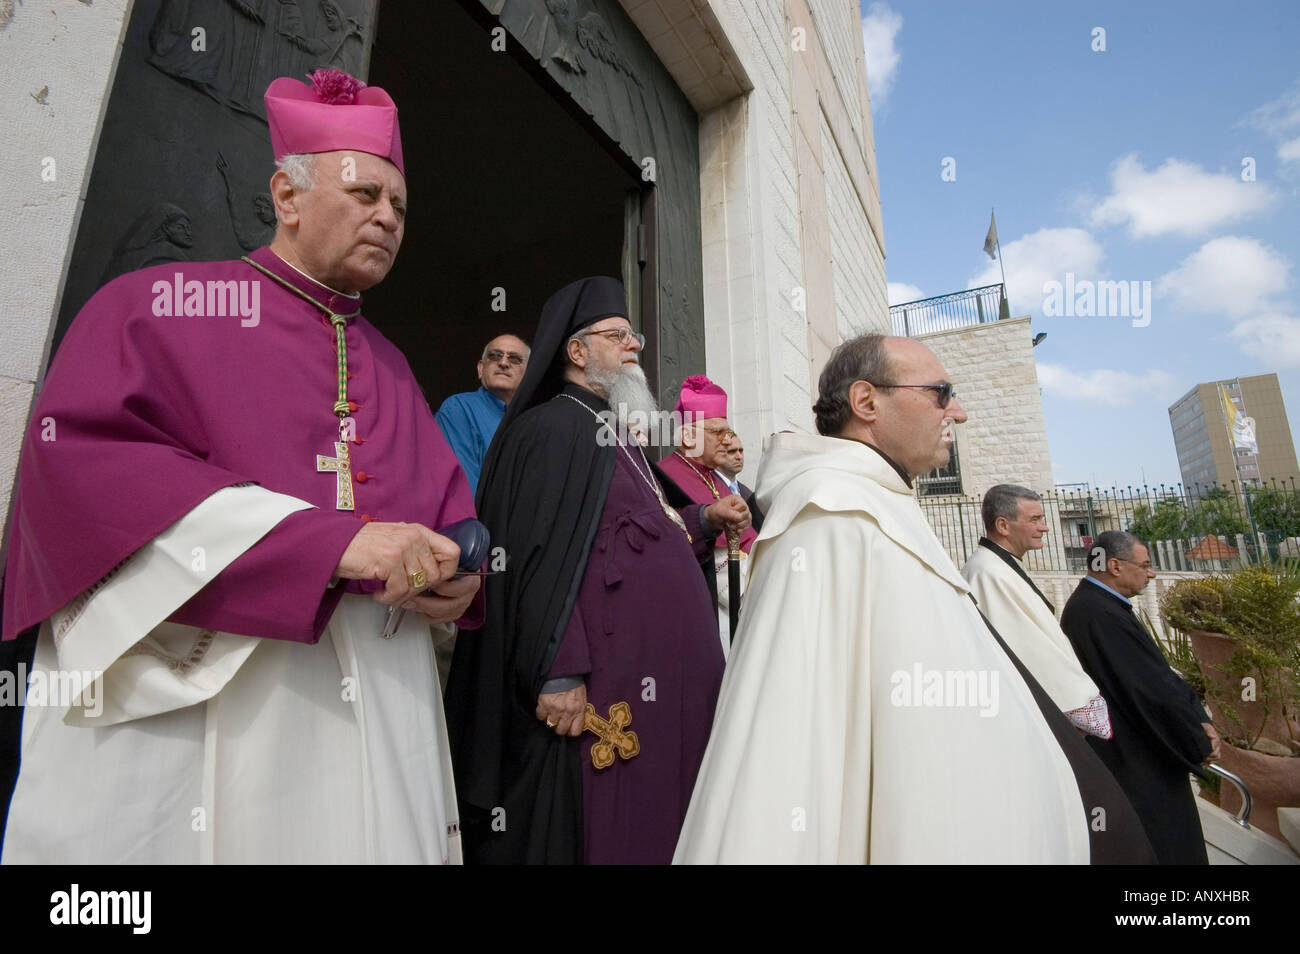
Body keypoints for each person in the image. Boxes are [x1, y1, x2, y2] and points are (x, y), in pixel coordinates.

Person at [0, 69, 481, 864]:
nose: (388, 218)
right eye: (365, 195)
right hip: (221, 697)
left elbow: (449, 509)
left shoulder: (392, 365)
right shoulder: (156, 307)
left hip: (382, 698)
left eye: (399, 205)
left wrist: (461, 568)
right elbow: (83, 478)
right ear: (287, 198)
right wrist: (324, 545)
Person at [675, 333, 1154, 864]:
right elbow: (789, 751)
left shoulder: (880, 499)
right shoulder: (828, 519)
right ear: (866, 402)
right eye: (941, 392)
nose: (960, 412)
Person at [445, 276, 749, 864]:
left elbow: (634, 532)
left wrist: (703, 520)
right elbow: (530, 559)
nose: (634, 344)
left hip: (658, 679)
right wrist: (558, 671)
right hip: (606, 685)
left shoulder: (617, 435)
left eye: (633, 334)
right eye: (617, 336)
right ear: (576, 351)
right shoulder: (551, 429)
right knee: (613, 820)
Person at [1061, 530, 1219, 865]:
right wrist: (1195, 738)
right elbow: (1148, 689)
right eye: (1145, 565)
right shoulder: (1097, 613)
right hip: (1136, 762)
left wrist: (1199, 718)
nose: (1152, 573)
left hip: (1136, 756)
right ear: (1115, 566)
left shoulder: (1100, 606)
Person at [961, 484, 1111, 737]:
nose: (1044, 527)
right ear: (1003, 526)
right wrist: (1077, 704)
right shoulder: (988, 573)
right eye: (1035, 520)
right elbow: (1030, 650)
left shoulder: (998, 567)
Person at [658, 375, 758, 653]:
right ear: (688, 436)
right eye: (717, 433)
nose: (727, 442)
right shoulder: (665, 475)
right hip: (700, 617)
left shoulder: (718, 479)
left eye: (728, 432)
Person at [435, 335, 530, 491]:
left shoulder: (533, 419)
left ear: (528, 374)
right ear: (481, 368)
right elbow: (463, 491)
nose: (504, 363)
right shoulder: (458, 408)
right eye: (495, 356)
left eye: (514, 359)